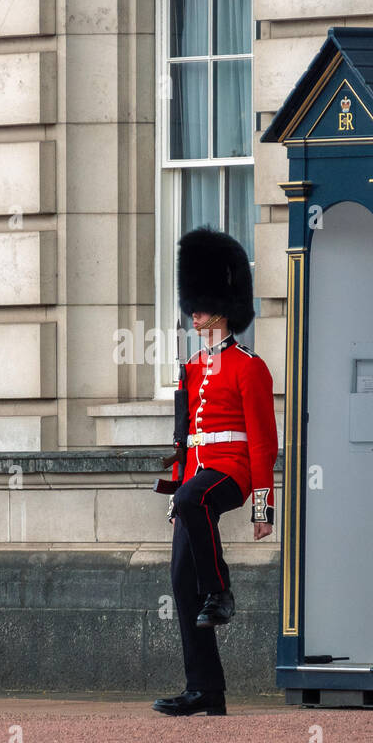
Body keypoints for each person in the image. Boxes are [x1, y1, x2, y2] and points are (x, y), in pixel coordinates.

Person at [151, 227, 278, 717]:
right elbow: (184, 441)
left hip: (233, 472)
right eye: (193, 303)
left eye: (201, 303)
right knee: (181, 581)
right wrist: (176, 495)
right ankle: (206, 689)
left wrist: (263, 507)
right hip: (195, 481)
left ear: (223, 306)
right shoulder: (191, 369)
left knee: (194, 506)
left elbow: (264, 442)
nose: (194, 312)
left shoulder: (250, 367)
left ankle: (220, 589)